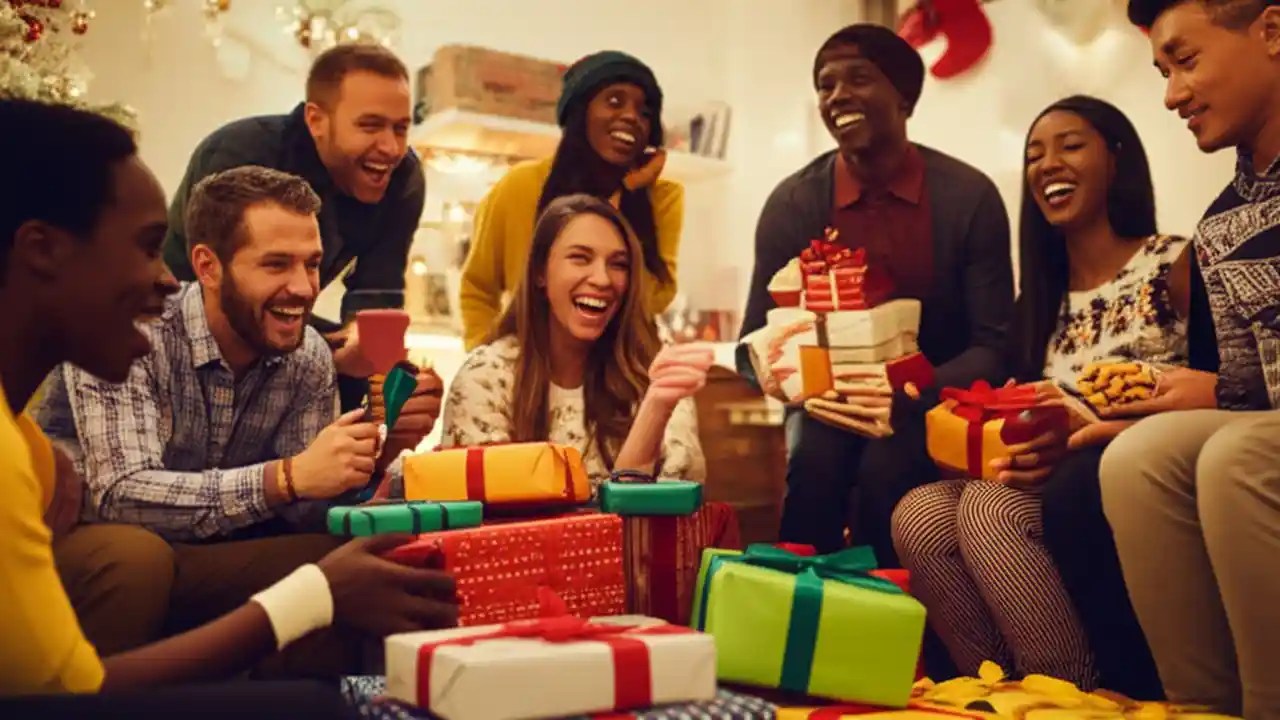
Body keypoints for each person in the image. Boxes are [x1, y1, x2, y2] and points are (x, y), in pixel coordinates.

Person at [0, 98, 454, 716]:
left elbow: (306, 514)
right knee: (136, 559)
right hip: (120, 548)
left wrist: (381, 445)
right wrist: (286, 482)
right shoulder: (128, 340)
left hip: (212, 556)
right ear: (208, 268)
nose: (303, 287)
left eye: (313, 264)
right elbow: (122, 494)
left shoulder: (306, 355)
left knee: (366, 556)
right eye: (276, 264)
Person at [891, 96, 1187, 692]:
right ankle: (1002, 692)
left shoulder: (1174, 264)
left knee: (988, 510)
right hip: (1046, 478)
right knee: (919, 513)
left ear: (1116, 158)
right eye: (1034, 155)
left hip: (1134, 467)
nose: (1048, 164)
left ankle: (1074, 694)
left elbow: (1218, 392)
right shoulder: (1038, 304)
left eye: (1071, 145)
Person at [736, 24, 1014, 563]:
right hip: (823, 406)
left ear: (905, 96)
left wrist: (900, 388)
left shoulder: (968, 197)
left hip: (933, 401)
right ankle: (801, 620)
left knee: (889, 468)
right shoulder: (793, 204)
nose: (837, 95)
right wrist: (809, 387)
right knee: (813, 463)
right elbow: (751, 345)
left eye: (858, 78)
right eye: (825, 85)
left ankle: (901, 637)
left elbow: (996, 343)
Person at [1099, 1, 1280, 716]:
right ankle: (1199, 705)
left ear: (1271, 31)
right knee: (1138, 458)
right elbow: (1252, 390)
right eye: (1163, 71)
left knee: (1237, 460)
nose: (1171, 94)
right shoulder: (1223, 223)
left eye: (1187, 59)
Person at [160, 42, 424, 412]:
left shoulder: (404, 178)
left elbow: (377, 298)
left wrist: (380, 378)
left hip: (277, 325)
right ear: (316, 120)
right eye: (370, 125)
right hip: (182, 319)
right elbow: (222, 301)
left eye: (401, 128)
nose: (392, 148)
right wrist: (329, 351)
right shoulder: (238, 152)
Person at [443, 193, 708, 489]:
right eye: (580, 258)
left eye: (618, 264)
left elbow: (672, 500)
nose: (602, 279)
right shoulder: (487, 377)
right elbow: (487, 512)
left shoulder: (650, 370)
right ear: (540, 273)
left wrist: (656, 407)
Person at [459, 51, 684, 351]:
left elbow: (653, 300)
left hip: (617, 378)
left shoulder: (661, 197)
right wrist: (489, 361)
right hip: (529, 375)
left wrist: (626, 193)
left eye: (645, 111)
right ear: (580, 112)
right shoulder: (520, 186)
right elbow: (478, 287)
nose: (632, 116)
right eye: (615, 101)